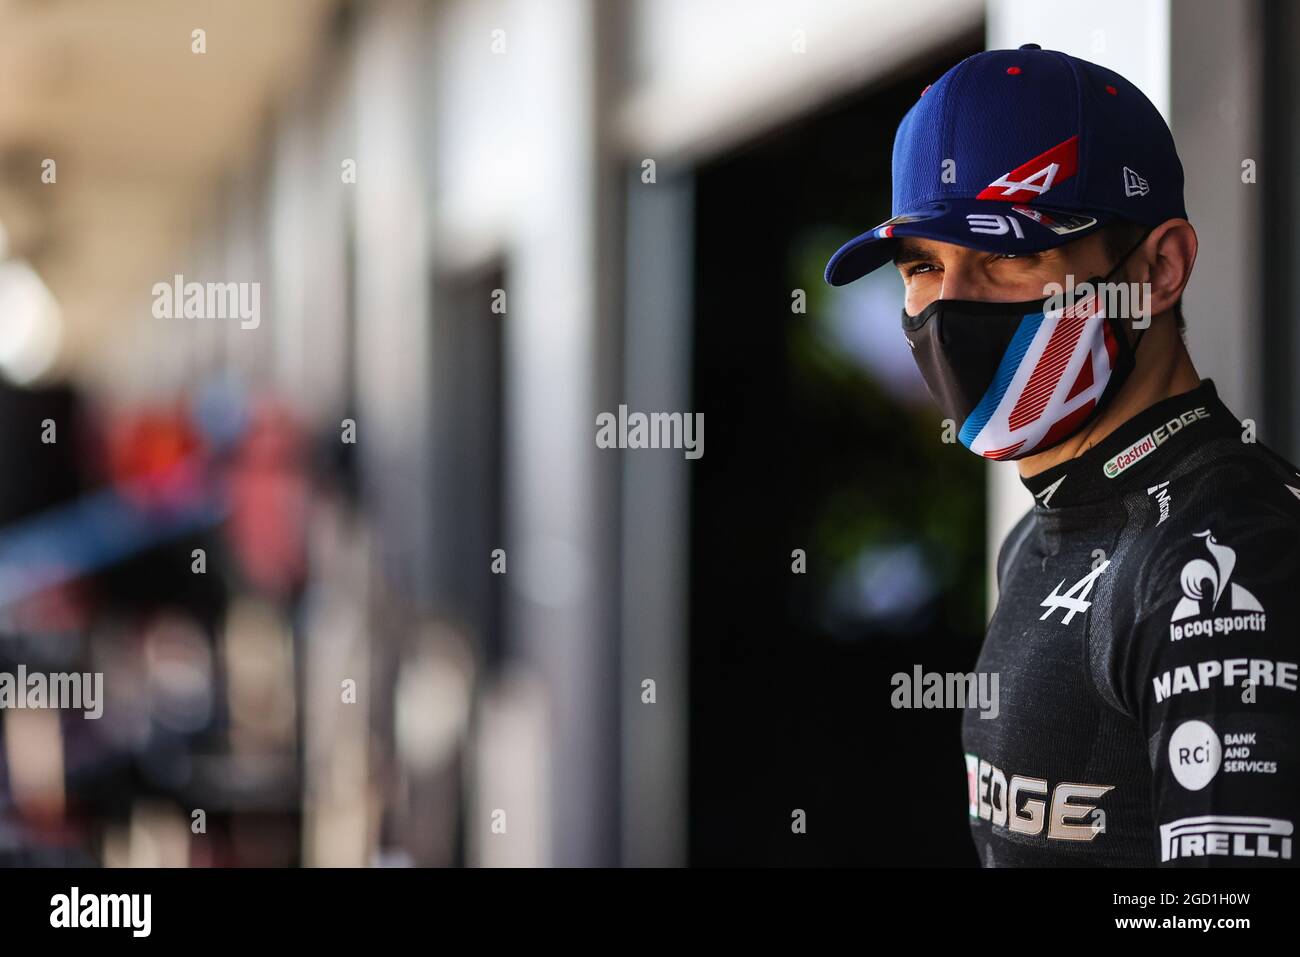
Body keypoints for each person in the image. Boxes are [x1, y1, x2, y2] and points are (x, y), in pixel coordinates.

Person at [825, 44, 1300, 866]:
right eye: (922, 266)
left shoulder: (1230, 550)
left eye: (1008, 256)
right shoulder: (1039, 538)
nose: (948, 309)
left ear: (1158, 268)